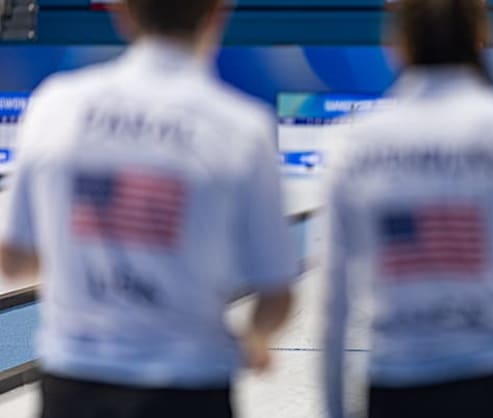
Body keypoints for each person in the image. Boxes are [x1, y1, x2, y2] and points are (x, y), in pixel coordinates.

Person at [0, 1, 299, 417]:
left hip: (75, 384)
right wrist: (254, 339)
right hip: (190, 386)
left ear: (121, 12)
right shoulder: (242, 127)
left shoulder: (56, 106)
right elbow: (276, 291)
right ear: (217, 13)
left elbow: (13, 259)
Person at [323, 1, 493, 418]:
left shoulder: (356, 146)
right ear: (483, 39)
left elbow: (335, 303)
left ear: (394, 44)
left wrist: (337, 409)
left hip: (397, 385)